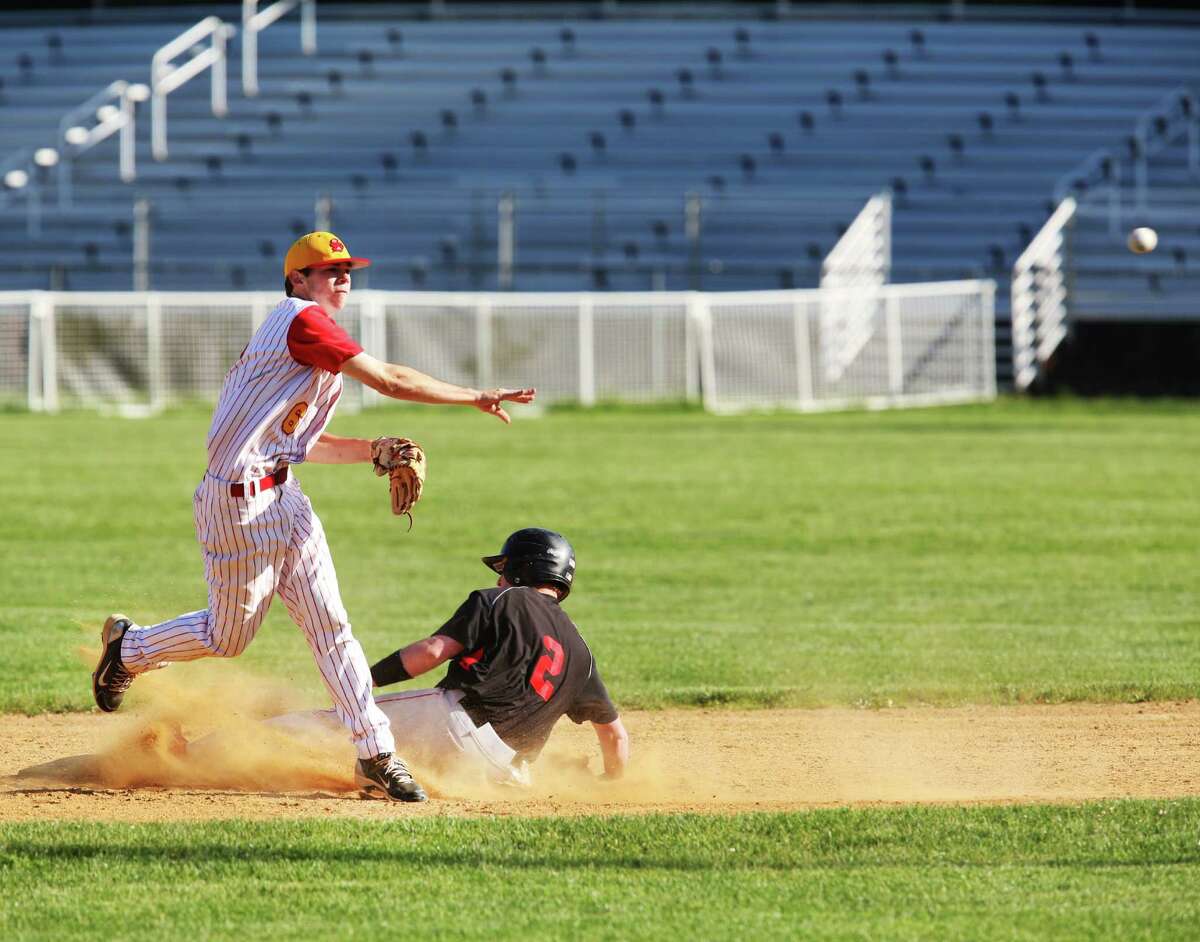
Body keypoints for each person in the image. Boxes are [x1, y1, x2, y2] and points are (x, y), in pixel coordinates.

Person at [91, 231, 536, 804]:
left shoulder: (312, 346)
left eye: (347, 269)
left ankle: (376, 755)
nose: (342, 278)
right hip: (236, 506)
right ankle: (128, 650)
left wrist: (373, 449)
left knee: (331, 626)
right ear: (297, 279)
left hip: (285, 497)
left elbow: (305, 444)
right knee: (227, 637)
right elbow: (391, 381)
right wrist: (473, 396)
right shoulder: (302, 321)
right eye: (329, 269)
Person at [268, 528, 628, 790]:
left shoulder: (501, 600)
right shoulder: (582, 653)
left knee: (347, 721)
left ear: (523, 568)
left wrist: (364, 679)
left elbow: (433, 651)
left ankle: (235, 744)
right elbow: (614, 736)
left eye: (504, 569)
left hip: (452, 725)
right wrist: (610, 781)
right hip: (505, 775)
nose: (499, 578)